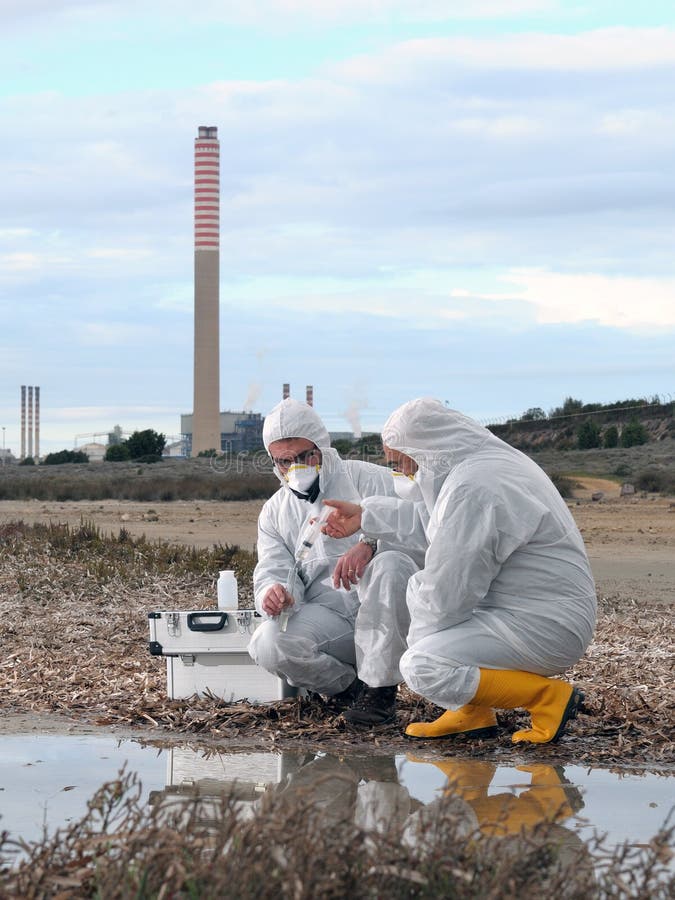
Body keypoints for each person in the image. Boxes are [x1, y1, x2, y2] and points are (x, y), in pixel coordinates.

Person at [323, 397, 597, 744]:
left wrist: (415, 629)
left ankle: (548, 699)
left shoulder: (475, 487)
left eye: (400, 463)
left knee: (422, 665)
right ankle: (470, 710)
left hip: (543, 625)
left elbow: (445, 596)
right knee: (430, 637)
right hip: (543, 612)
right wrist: (366, 515)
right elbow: (435, 522)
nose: (399, 474)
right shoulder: (478, 468)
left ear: (427, 452)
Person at [247, 398, 418, 725]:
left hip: (391, 616)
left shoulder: (372, 479)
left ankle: (381, 690)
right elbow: (272, 566)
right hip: (331, 617)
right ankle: (353, 691)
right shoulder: (275, 511)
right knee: (268, 643)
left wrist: (370, 540)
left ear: (321, 447)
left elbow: (422, 526)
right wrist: (273, 591)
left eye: (304, 456)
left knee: (390, 564)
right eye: (284, 462)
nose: (295, 468)